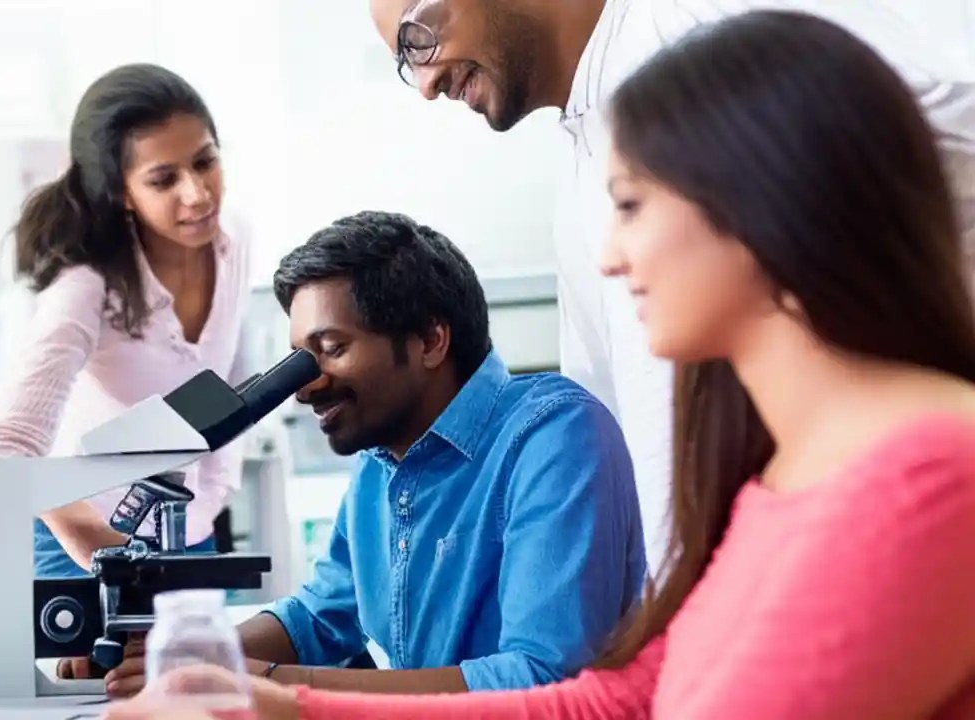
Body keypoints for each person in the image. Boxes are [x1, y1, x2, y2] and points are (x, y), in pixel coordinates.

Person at [103, 10, 975, 719]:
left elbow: (544, 677)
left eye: (630, 204)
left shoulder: (925, 476)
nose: (608, 256)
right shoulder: (767, 488)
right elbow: (627, 697)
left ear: (762, 194)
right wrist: (248, 695)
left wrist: (289, 696)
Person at [370, 0, 975, 570]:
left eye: (417, 36)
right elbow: (624, 443)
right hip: (721, 605)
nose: (425, 84)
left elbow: (955, 125)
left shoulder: (704, 23)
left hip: (854, 556)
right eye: (405, 63)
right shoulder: (581, 189)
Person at [104, 210, 646, 697]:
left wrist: (266, 684)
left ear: (431, 341)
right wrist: (179, 658)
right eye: (297, 359)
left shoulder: (553, 435)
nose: (304, 387)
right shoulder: (378, 465)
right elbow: (319, 616)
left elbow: (541, 680)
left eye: (331, 350)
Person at [0, 63, 252, 583]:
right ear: (121, 191)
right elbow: (1, 451)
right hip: (86, 535)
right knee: (104, 668)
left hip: (186, 524)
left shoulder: (235, 239)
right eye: (163, 179)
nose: (197, 194)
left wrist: (210, 500)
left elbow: (233, 386)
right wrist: (91, 537)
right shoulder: (87, 284)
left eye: (205, 161)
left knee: (197, 663)